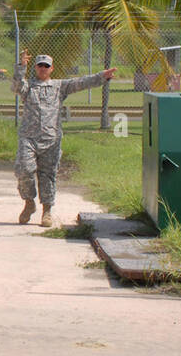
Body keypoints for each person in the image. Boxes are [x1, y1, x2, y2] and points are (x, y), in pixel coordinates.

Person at [12, 51, 117, 226]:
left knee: (48, 175)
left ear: (52, 69)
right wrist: (21, 67)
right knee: (24, 169)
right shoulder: (28, 87)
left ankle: (47, 211)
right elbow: (16, 86)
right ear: (36, 68)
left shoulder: (59, 86)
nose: (43, 68)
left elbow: (81, 83)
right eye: (40, 65)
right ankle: (29, 203)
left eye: (46, 66)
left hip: (51, 139)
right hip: (29, 139)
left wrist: (102, 77)